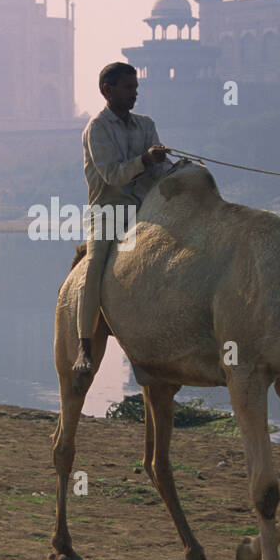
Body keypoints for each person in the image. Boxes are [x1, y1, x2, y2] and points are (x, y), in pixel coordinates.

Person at [73, 62, 169, 383]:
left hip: (145, 212)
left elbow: (160, 172)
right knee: (95, 264)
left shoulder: (146, 125)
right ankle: (85, 345)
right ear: (107, 90)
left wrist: (176, 169)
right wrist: (145, 159)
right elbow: (112, 176)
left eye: (136, 88)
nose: (135, 94)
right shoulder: (97, 129)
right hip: (109, 212)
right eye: (128, 88)